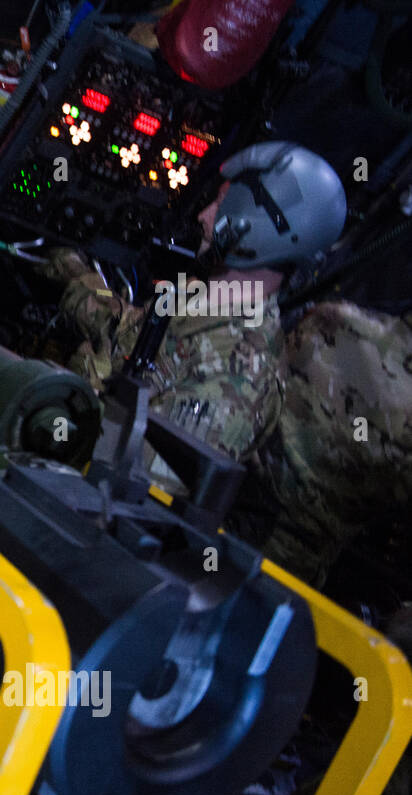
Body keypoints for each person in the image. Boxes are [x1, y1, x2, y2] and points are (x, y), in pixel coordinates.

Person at [36, 142, 412, 587]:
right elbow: (126, 334)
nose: (203, 215)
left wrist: (72, 383)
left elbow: (132, 500)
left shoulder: (236, 380)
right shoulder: (208, 296)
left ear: (255, 226)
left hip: (67, 545)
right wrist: (76, 276)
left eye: (220, 203)